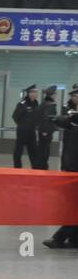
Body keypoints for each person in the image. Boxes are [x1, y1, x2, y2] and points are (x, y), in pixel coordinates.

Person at [43, 89, 78, 250]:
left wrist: (61, 119)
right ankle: (73, 239)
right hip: (71, 164)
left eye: (75, 96)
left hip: (75, 165)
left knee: (74, 205)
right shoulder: (73, 113)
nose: (73, 98)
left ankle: (59, 238)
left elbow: (71, 122)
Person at [12, 84, 43, 169]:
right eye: (35, 92)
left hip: (31, 132)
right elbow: (15, 116)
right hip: (22, 132)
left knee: (34, 152)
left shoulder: (36, 103)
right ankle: (17, 169)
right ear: (30, 93)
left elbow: (36, 117)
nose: (37, 94)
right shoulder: (22, 104)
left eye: (36, 92)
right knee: (18, 152)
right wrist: (22, 125)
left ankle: (35, 169)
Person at [37, 85, 59, 171]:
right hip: (45, 131)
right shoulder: (50, 104)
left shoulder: (44, 103)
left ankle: (40, 165)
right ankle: (43, 166)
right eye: (55, 94)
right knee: (45, 149)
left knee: (41, 148)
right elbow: (47, 117)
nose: (56, 95)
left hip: (42, 130)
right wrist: (45, 130)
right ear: (51, 95)